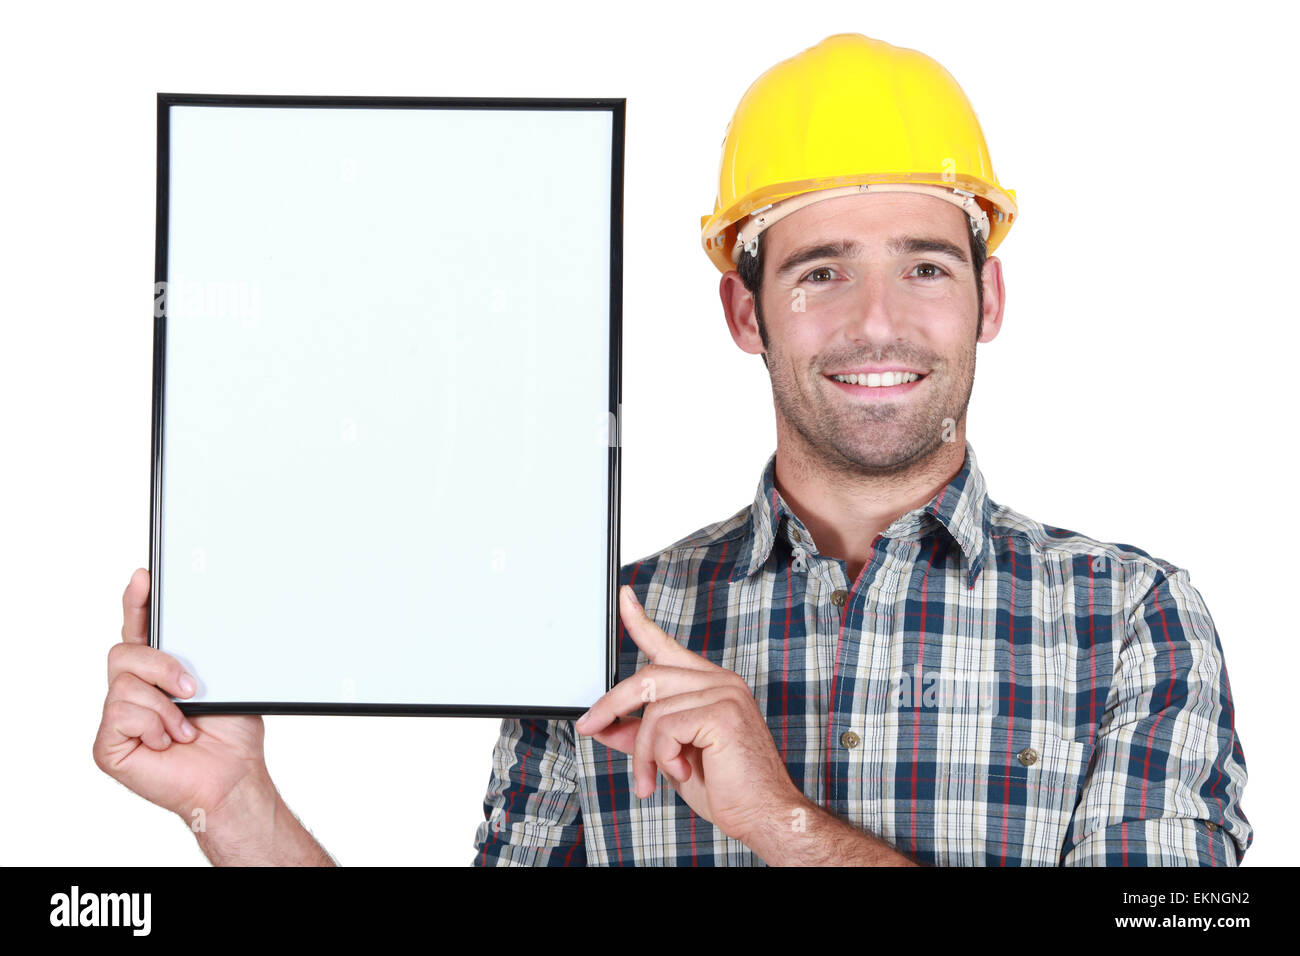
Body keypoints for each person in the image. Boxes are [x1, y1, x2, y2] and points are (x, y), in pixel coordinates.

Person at [95, 33, 1252, 867]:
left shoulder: (1130, 619)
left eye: (925, 265)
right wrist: (232, 802)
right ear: (743, 314)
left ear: (987, 296)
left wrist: (780, 823)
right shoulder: (595, 630)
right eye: (819, 270)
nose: (878, 321)